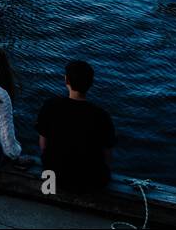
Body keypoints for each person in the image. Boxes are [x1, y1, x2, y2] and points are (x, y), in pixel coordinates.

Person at [36, 60, 116, 192]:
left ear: (66, 80)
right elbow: (107, 154)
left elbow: (43, 145)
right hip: (91, 180)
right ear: (91, 83)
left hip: (55, 175)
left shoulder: (50, 106)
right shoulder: (101, 115)